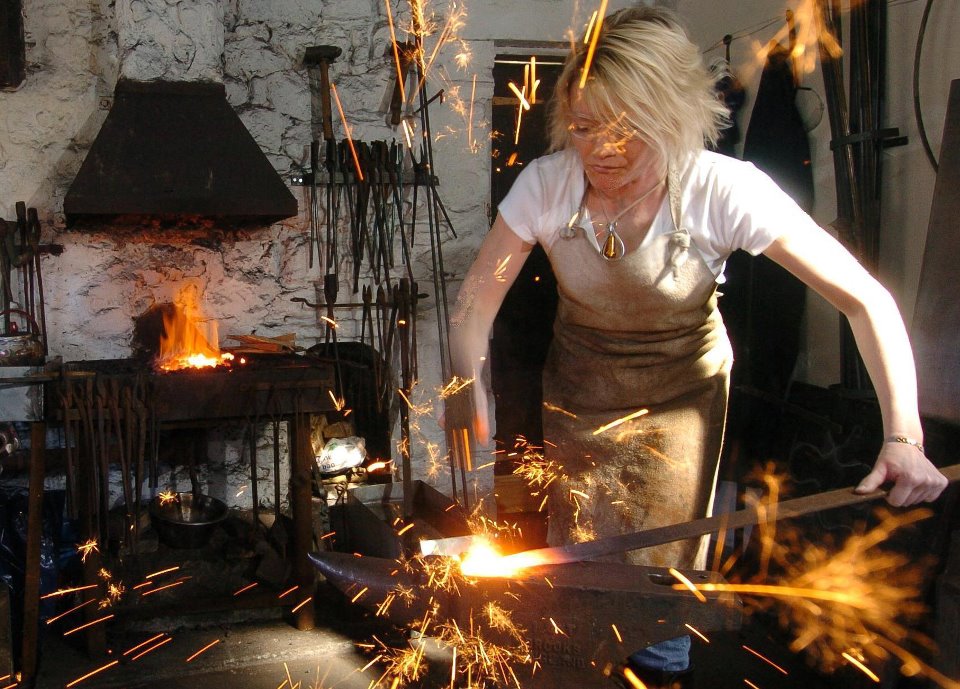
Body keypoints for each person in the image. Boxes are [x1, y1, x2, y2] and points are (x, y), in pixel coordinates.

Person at [447, 5, 948, 688]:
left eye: (627, 130)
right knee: (583, 561)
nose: (602, 150)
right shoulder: (547, 183)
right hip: (580, 387)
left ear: (673, 116)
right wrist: (468, 381)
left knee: (663, 569)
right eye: (587, 127)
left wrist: (905, 436)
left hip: (682, 397)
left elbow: (866, 299)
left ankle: (661, 670)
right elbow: (477, 301)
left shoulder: (724, 189)